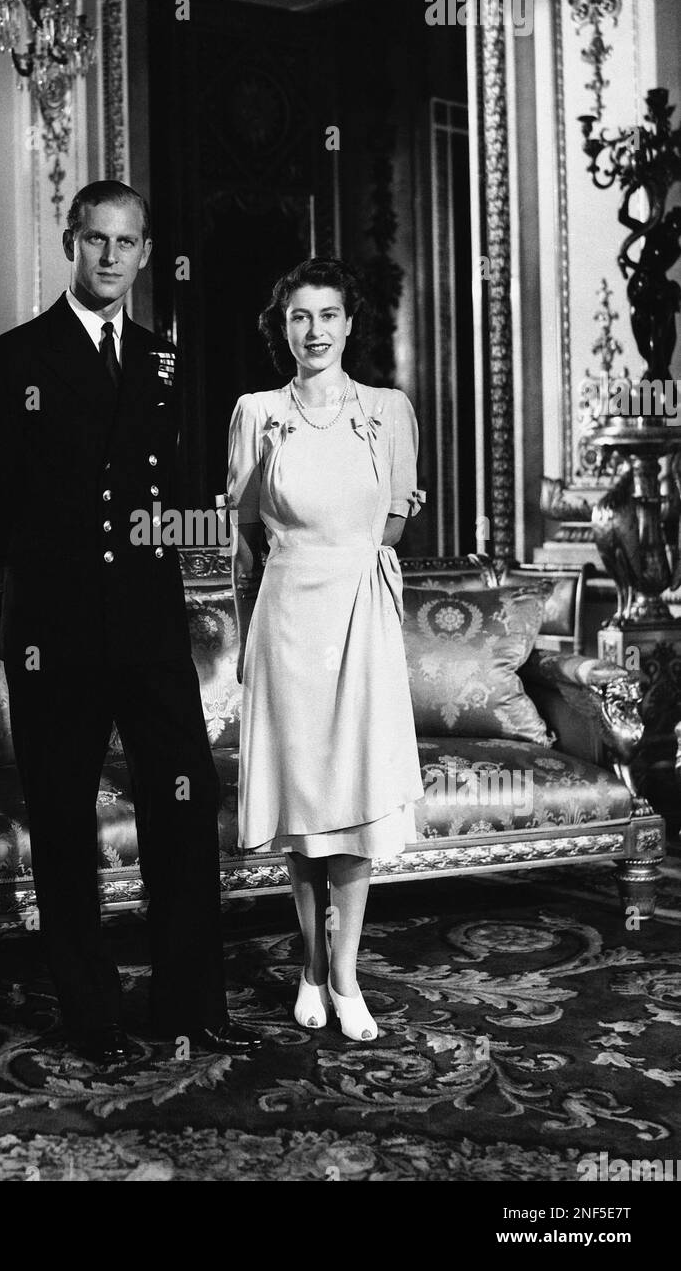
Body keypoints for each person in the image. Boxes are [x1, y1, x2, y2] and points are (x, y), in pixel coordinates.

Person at [0, 180, 260, 1066]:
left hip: (151, 626)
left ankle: (191, 1005)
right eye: (95, 240)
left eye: (126, 244)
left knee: (184, 802)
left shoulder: (163, 361)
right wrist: (50, 580)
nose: (110, 258)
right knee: (61, 817)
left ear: (142, 253)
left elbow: (180, 491)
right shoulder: (12, 359)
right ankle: (90, 1017)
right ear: (70, 242)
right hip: (56, 631)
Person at [228, 257, 425, 1042]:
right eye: (300, 317)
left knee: (355, 807)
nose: (315, 331)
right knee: (305, 812)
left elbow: (396, 523)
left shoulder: (388, 409)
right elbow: (246, 536)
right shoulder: (254, 411)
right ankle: (310, 962)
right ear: (284, 328)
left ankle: (344, 976)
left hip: (360, 613)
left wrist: (351, 570)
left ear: (351, 323)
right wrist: (251, 634)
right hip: (285, 621)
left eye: (330, 315)